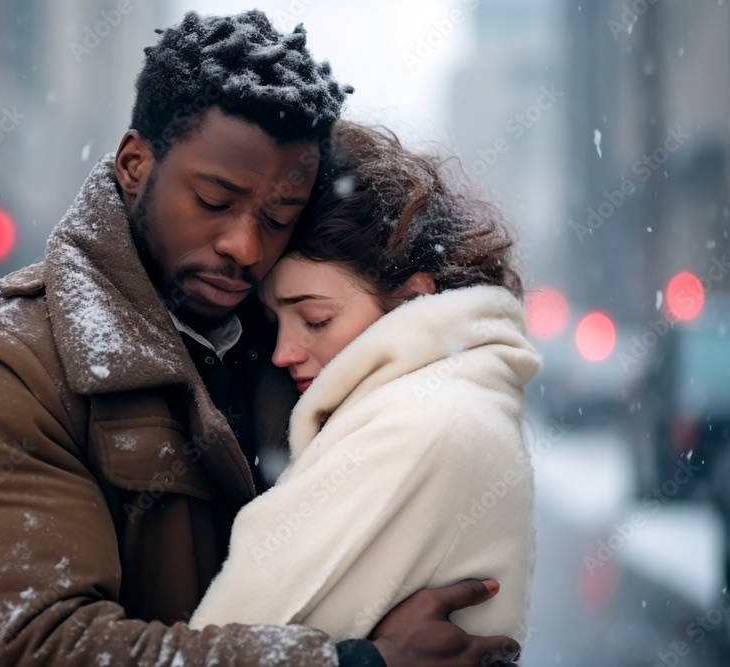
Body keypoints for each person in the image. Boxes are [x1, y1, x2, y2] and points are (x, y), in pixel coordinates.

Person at [0, 11, 522, 667]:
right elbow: (41, 650)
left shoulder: (296, 333)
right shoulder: (4, 369)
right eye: (213, 201)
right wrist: (348, 662)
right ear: (134, 164)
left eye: (278, 217)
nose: (245, 246)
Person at [188, 121, 541, 649]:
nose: (283, 353)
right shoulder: (463, 397)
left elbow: (218, 647)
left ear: (412, 299)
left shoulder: (416, 427)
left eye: (316, 319)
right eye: (275, 321)